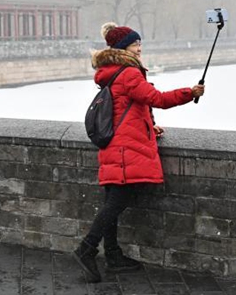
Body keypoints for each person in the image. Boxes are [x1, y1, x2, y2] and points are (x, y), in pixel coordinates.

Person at [73, 22, 205, 282]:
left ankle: (113, 255)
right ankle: (86, 249)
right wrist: (190, 93)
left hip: (115, 144)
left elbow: (130, 106)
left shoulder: (111, 71)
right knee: (115, 204)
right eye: (136, 45)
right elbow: (158, 99)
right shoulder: (129, 73)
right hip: (125, 148)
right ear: (124, 48)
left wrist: (148, 125)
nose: (140, 49)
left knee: (111, 203)